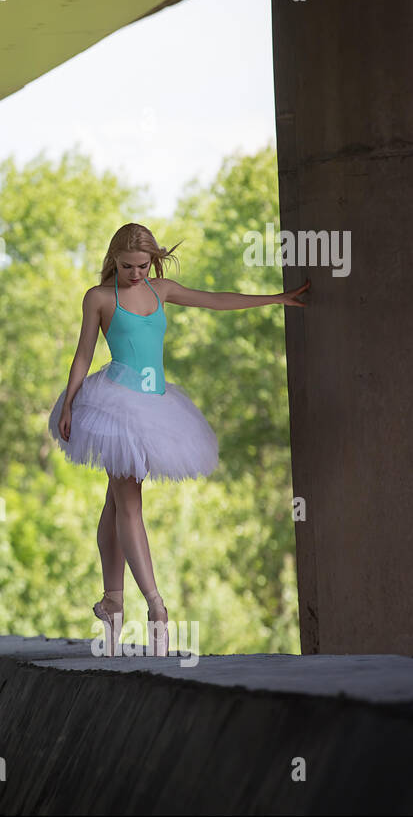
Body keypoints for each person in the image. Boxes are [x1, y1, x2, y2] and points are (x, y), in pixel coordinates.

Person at [48, 223, 310, 657]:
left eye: (143, 265)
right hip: (116, 406)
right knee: (129, 504)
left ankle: (113, 600)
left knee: (116, 503)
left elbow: (216, 301)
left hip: (157, 403)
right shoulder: (98, 298)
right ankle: (156, 607)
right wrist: (70, 404)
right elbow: (83, 354)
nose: (136, 274)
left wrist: (276, 298)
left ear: (154, 260)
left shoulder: (161, 290)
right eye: (128, 266)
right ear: (114, 259)